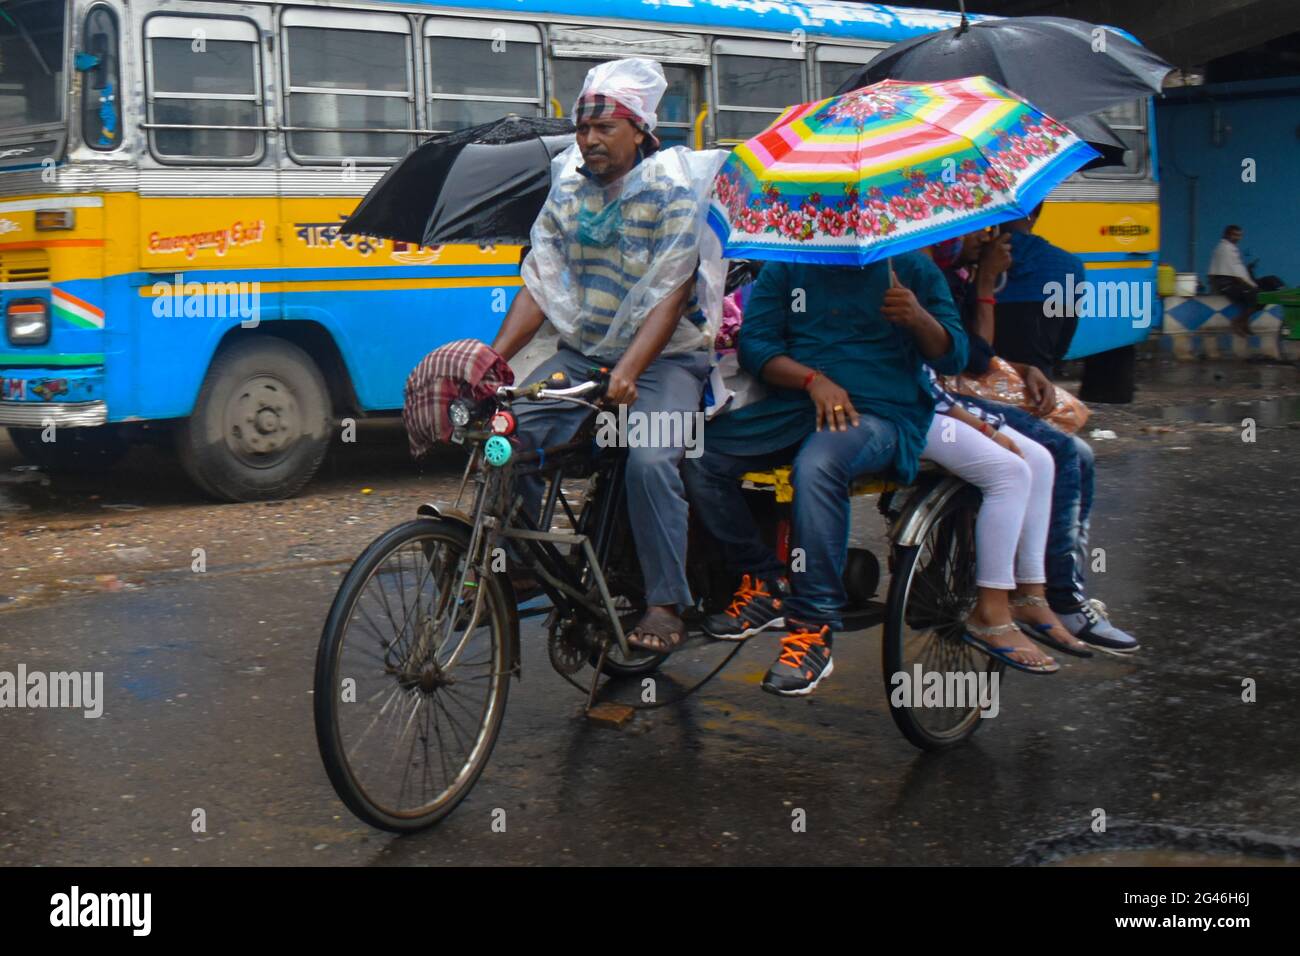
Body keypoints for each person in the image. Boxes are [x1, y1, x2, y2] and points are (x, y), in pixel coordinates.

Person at [489, 58, 725, 653]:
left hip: (666, 361)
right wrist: (493, 362)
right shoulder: (567, 189)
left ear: (641, 131)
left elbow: (671, 294)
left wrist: (629, 371)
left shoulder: (672, 192)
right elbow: (540, 283)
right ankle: (529, 561)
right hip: (586, 354)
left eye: (605, 128)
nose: (589, 139)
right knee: (502, 436)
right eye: (582, 128)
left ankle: (666, 601)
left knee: (649, 462)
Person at [683, 253, 967, 697]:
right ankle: (763, 579)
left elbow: (954, 357)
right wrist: (812, 379)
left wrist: (917, 317)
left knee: (817, 466)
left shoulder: (911, 268)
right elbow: (757, 347)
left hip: (881, 412)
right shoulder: (787, 267)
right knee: (698, 455)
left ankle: (812, 628)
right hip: (796, 407)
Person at [933, 230, 1139, 656]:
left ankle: (1040, 594)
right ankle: (1057, 598)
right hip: (937, 399)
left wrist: (1022, 367)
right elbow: (971, 355)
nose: (988, 238)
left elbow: (977, 356)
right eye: (979, 229)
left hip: (953, 391)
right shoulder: (933, 273)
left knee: (1068, 454)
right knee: (1060, 453)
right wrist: (986, 286)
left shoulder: (955, 272)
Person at [920, 367, 1093, 671]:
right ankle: (992, 611)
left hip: (930, 394)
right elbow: (970, 357)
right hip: (911, 401)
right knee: (1013, 472)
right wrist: (984, 428)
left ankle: (1031, 595)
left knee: (1040, 459)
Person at [992, 205, 1087, 379]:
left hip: (985, 383)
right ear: (1035, 213)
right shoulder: (1071, 266)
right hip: (1040, 387)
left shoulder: (975, 265)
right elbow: (1062, 343)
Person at [1208, 224, 1261, 337]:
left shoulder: (1228, 248)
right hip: (1226, 284)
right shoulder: (1226, 249)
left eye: (1239, 235)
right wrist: (1252, 286)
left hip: (1227, 282)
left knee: (1255, 295)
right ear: (1227, 234)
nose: (1238, 238)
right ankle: (1238, 322)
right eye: (1235, 235)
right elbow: (1236, 273)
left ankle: (1244, 322)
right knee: (1255, 295)